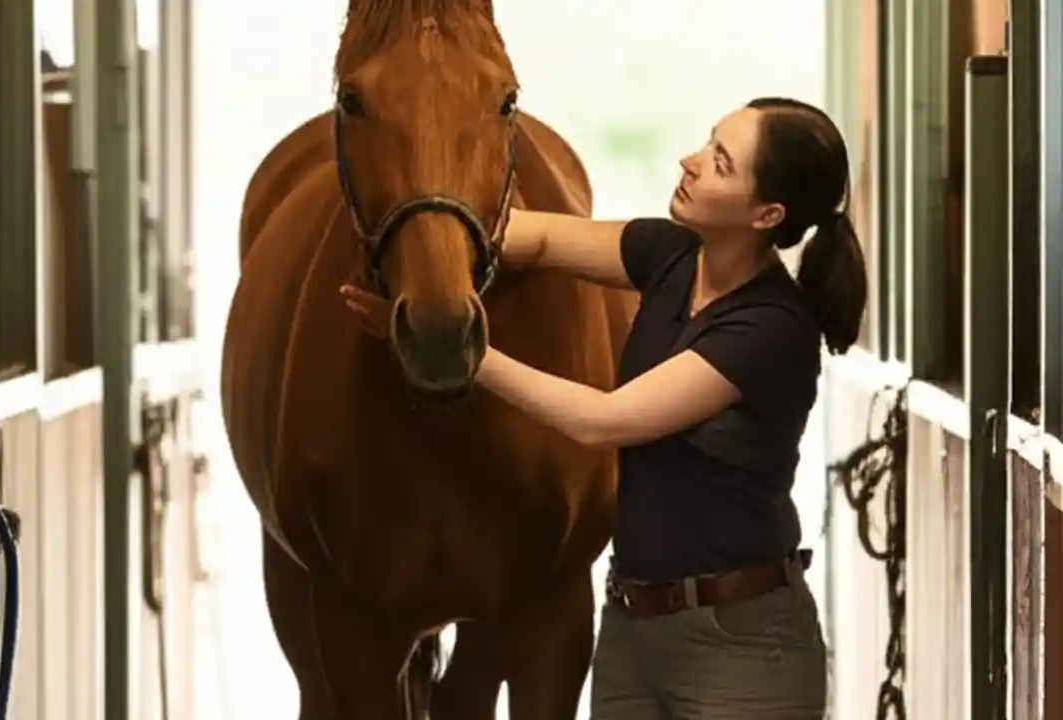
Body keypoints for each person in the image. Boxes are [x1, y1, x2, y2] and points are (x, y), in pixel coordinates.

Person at [341, 96, 867, 719]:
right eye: (707, 142)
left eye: (720, 163)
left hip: (741, 645)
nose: (690, 162)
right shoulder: (670, 255)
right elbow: (532, 240)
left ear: (766, 214)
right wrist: (429, 229)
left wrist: (459, 353)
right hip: (633, 631)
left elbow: (605, 420)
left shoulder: (770, 328)